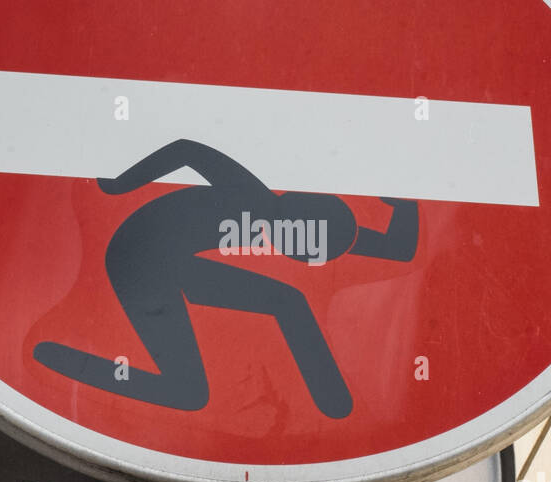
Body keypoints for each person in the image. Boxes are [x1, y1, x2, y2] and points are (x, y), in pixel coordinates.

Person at [33, 139, 418, 419]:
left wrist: (407, 203)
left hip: (179, 263)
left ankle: (334, 402)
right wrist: (119, 183)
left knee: (288, 300)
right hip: (139, 256)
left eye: (312, 252)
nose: (302, 254)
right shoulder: (251, 195)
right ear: (295, 212)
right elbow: (188, 149)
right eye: (305, 247)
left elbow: (395, 249)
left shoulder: (292, 227)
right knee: (188, 392)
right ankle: (67, 363)